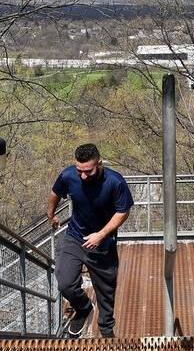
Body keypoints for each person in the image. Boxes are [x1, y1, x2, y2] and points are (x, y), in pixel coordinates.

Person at [47, 142, 133, 338]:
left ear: (99, 163)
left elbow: (123, 211)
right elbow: (55, 193)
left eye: (89, 171)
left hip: (103, 243)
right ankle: (84, 308)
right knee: (65, 282)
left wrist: (101, 235)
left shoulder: (115, 182)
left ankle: (106, 329)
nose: (84, 176)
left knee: (106, 290)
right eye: (80, 171)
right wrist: (50, 214)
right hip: (75, 236)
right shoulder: (69, 175)